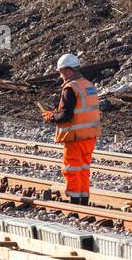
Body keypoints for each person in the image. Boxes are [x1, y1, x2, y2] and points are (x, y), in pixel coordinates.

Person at [43, 53, 101, 205]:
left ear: (68, 71)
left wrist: (51, 117)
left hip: (75, 137)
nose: (61, 76)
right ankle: (84, 201)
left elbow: (66, 116)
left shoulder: (70, 88)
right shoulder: (88, 85)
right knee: (83, 169)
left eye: (61, 72)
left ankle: (75, 203)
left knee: (72, 169)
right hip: (90, 136)